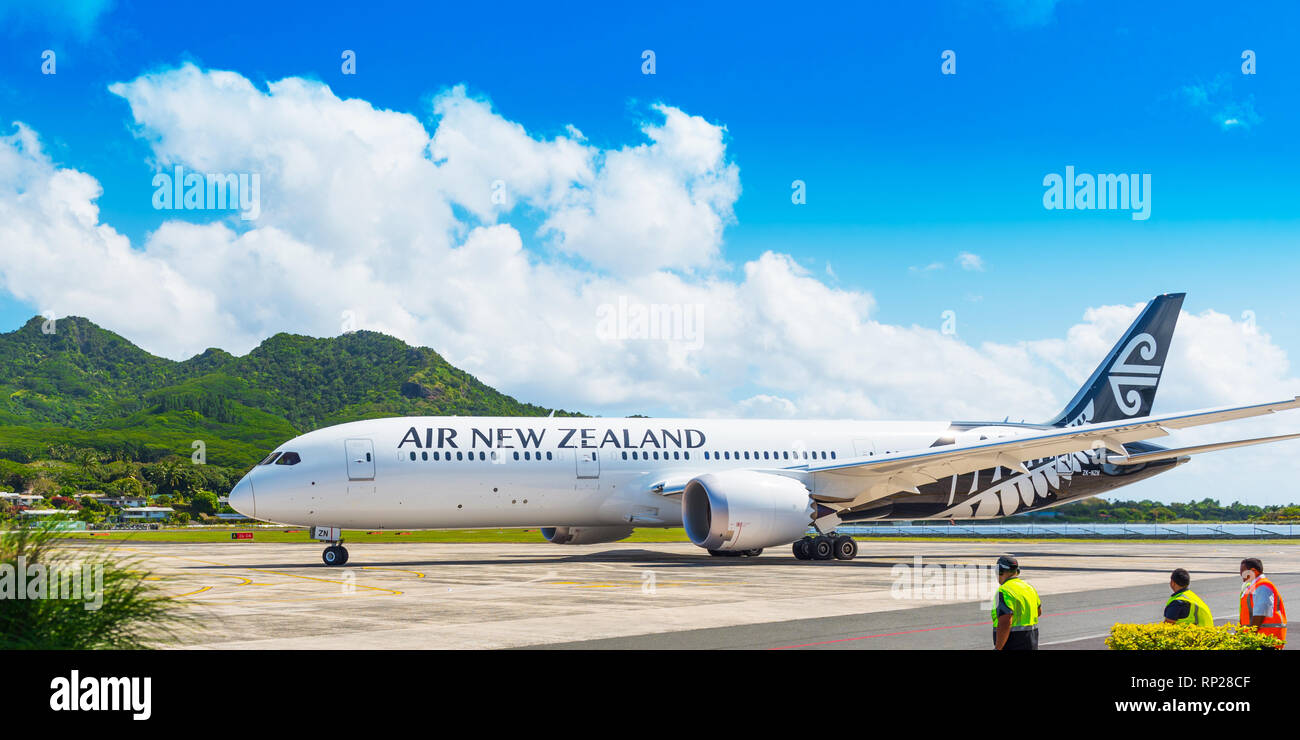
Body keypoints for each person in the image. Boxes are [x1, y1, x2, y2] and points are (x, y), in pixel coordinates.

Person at [992, 554, 1041, 650]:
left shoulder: (1004, 591)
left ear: (1000, 571)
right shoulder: (1029, 587)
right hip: (1031, 643)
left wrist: (998, 648)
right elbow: (1038, 612)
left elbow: (1005, 622)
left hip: (1013, 643)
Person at [1239, 558, 1287, 647]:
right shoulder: (1254, 586)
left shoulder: (1262, 587)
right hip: (1260, 638)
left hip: (1266, 639)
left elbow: (1260, 613)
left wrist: (1250, 636)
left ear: (1253, 571)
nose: (1240, 574)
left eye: (1243, 571)